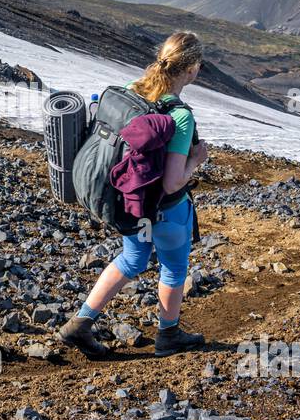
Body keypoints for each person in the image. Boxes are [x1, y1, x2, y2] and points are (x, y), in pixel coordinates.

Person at [60, 30, 209, 358]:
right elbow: (172, 183)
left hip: (130, 204)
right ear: (190, 70)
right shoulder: (179, 117)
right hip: (166, 210)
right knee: (173, 268)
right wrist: (196, 161)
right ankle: (168, 335)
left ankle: (81, 323)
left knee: (132, 258)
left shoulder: (132, 91)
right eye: (198, 64)